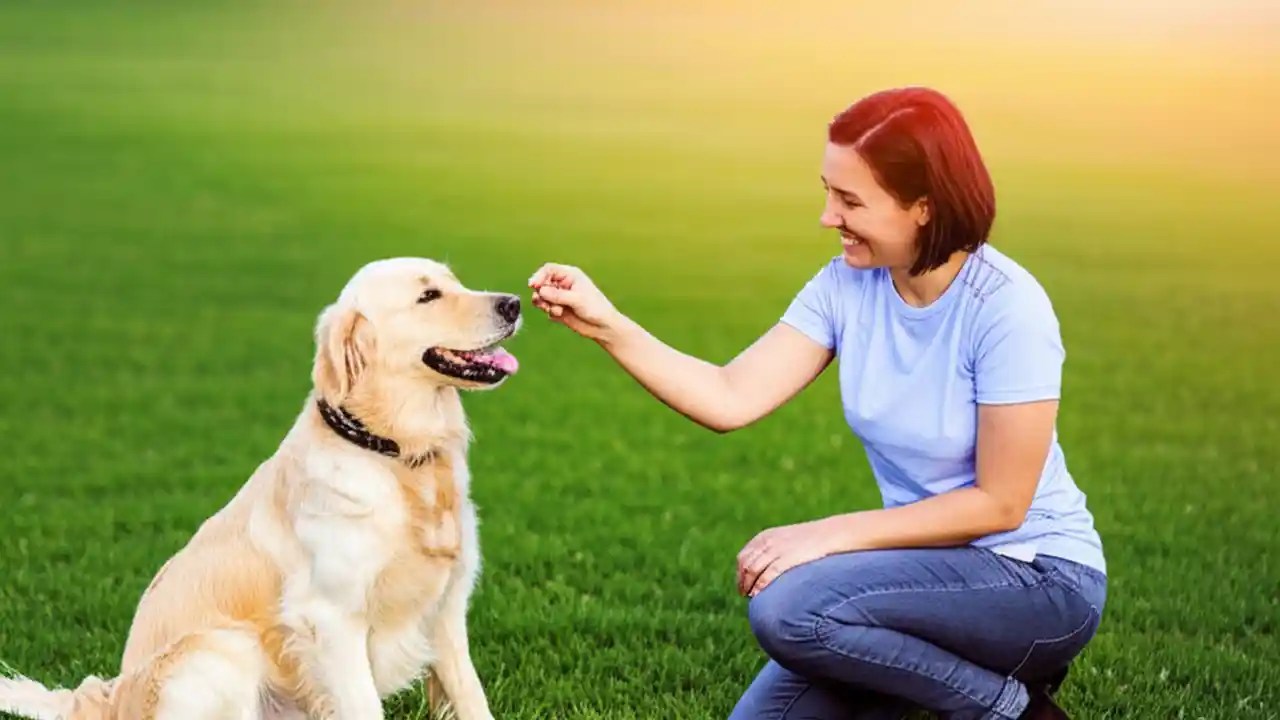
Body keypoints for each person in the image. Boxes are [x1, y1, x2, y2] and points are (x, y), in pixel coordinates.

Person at [527, 86, 1107, 720]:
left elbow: (1001, 502)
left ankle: (1008, 709)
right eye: (828, 192)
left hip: (1039, 579)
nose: (828, 217)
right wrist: (607, 324)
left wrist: (827, 537)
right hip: (922, 578)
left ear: (923, 207)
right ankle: (969, 675)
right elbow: (730, 396)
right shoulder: (846, 285)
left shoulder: (1006, 308)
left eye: (850, 200)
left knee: (789, 607)